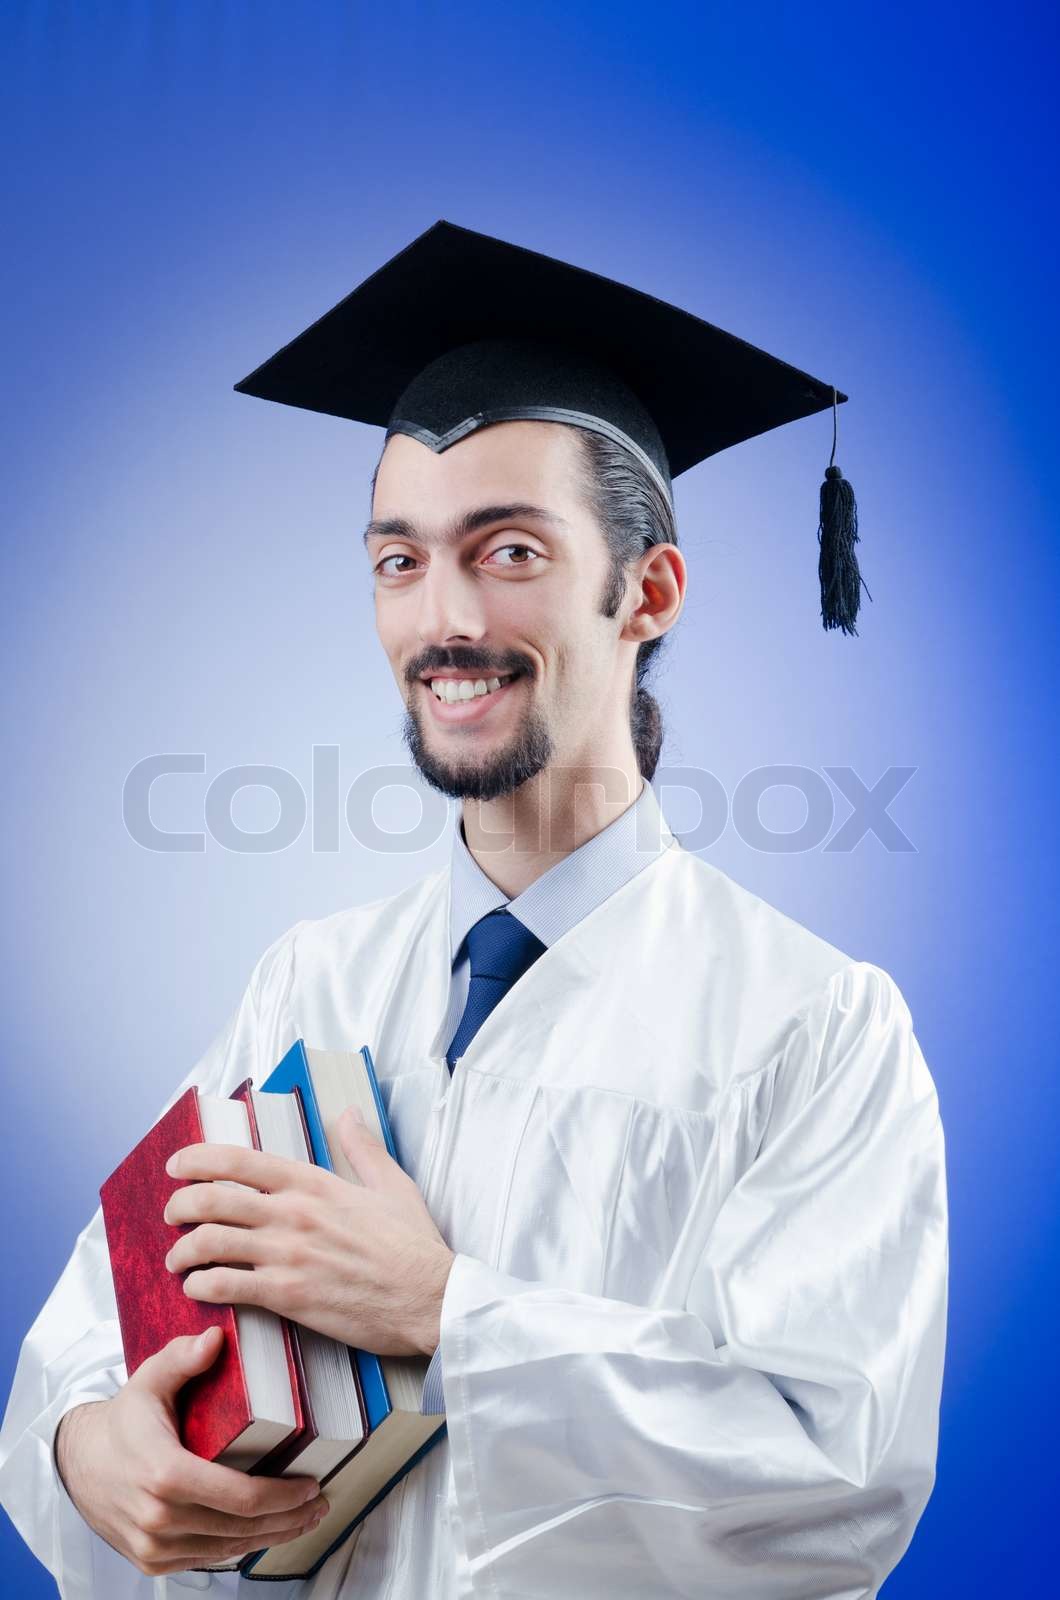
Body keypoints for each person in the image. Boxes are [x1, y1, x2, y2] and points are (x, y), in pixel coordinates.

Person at [0, 221, 947, 1599]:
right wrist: (92, 1449)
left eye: (508, 552)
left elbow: (835, 1480)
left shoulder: (812, 1026)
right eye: (400, 561)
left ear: (649, 591)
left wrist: (449, 1315)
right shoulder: (308, 983)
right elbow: (98, 1328)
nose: (442, 618)